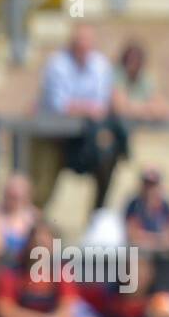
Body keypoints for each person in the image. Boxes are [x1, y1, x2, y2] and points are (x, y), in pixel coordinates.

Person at [36, 25, 126, 211]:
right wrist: (86, 108)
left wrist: (79, 107)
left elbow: (100, 105)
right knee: (42, 188)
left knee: (108, 157)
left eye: (87, 45)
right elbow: (59, 105)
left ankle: (97, 218)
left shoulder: (100, 65)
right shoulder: (57, 64)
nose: (83, 50)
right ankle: (35, 226)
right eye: (79, 45)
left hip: (88, 137)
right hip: (54, 137)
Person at [0, 172, 39, 293]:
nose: (15, 200)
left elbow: (46, 248)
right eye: (12, 196)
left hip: (28, 273)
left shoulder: (35, 217)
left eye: (19, 197)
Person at [111, 40, 169, 122]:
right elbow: (120, 108)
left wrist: (134, 108)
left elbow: (164, 110)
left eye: (137, 61)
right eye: (130, 61)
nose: (134, 65)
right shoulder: (117, 76)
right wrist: (148, 109)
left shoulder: (145, 77)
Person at [124, 168, 169, 252]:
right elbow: (132, 234)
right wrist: (157, 239)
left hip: (160, 251)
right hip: (141, 250)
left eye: (153, 185)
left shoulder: (165, 206)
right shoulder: (134, 205)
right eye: (147, 184)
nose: (150, 189)